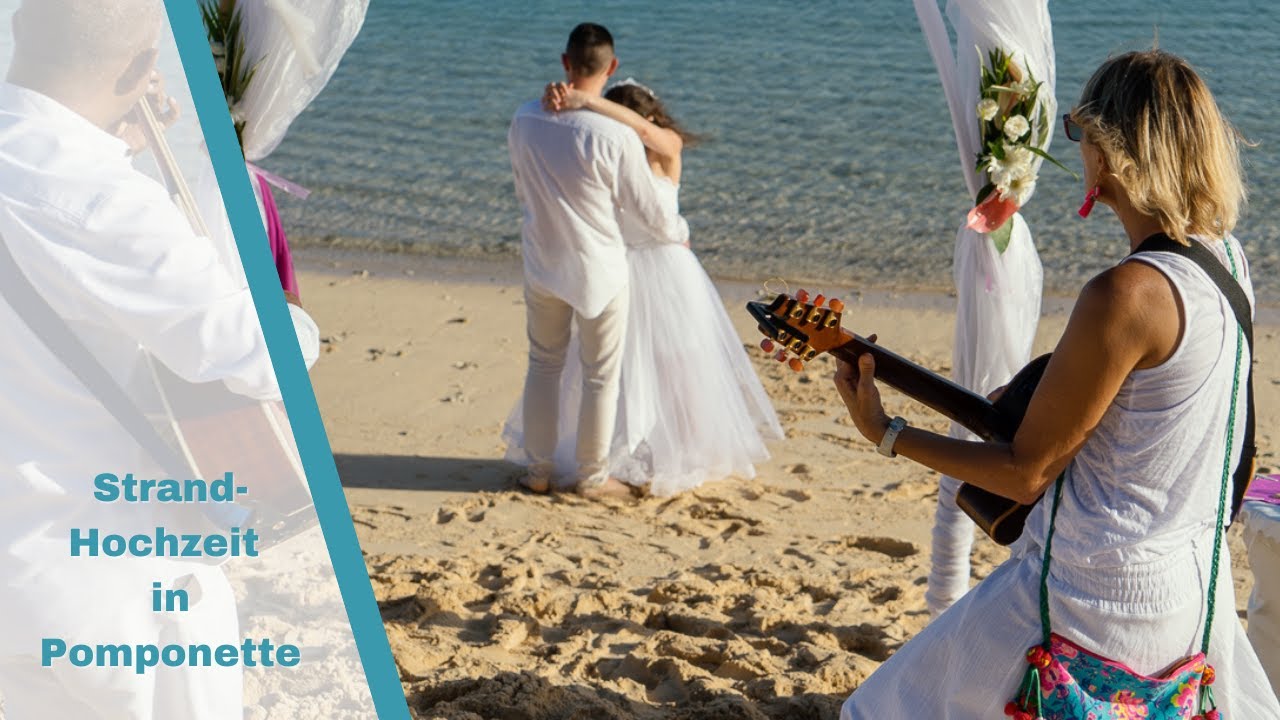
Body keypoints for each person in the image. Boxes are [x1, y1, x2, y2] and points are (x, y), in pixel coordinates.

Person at [833, 50, 1279, 718]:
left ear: (1113, 151)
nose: (1079, 149)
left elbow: (1023, 473)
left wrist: (886, 432)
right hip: (1191, 595)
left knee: (878, 710)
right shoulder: (1229, 260)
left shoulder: (1126, 294)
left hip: (1090, 598)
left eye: (1079, 132)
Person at [0, 0, 320, 716]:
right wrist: (302, 327)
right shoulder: (104, 199)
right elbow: (255, 353)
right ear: (145, 70)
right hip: (115, 582)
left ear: (20, 29)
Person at [504, 79, 782, 496]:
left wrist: (588, 102)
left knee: (680, 363)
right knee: (620, 370)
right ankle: (611, 458)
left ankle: (682, 449)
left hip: (669, 273)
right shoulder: (615, 154)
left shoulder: (666, 148)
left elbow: (654, 136)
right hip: (622, 268)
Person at [506, 23, 688, 499]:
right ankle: (590, 477)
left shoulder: (524, 119)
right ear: (611, 68)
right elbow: (650, 214)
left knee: (543, 365)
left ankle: (539, 470)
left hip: (542, 261)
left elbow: (523, 189)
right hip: (599, 270)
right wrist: (678, 235)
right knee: (599, 376)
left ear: (566, 63)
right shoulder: (614, 136)